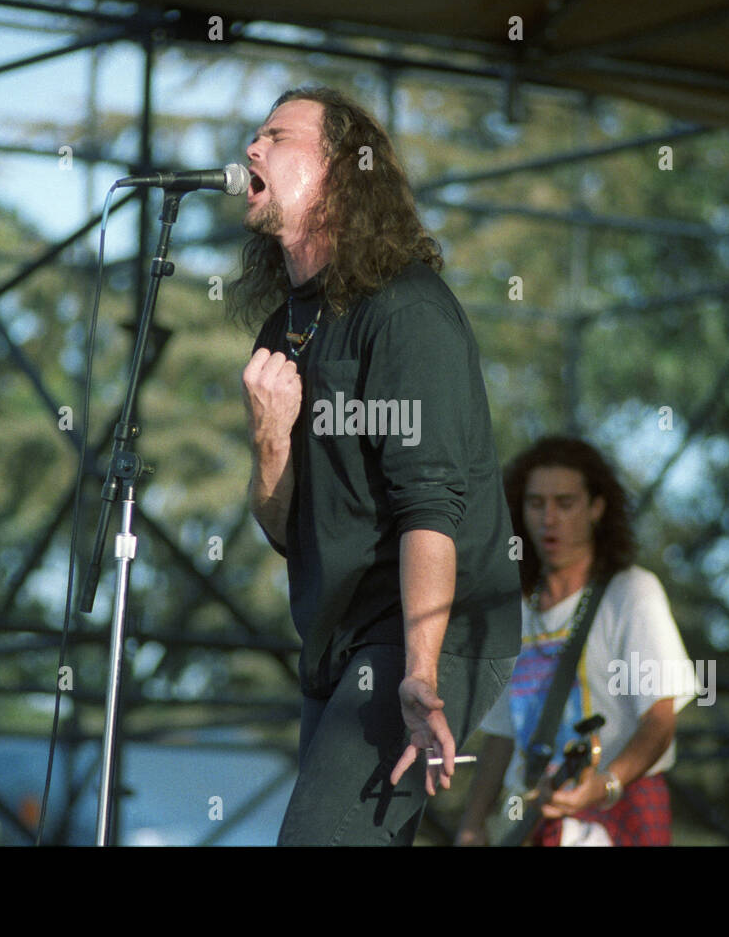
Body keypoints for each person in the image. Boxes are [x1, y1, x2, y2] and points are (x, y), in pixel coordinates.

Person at [232, 86, 521, 845]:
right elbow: (283, 527)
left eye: (277, 136)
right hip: (337, 637)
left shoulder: (404, 309)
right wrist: (269, 443)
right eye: (254, 136)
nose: (251, 149)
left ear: (341, 173)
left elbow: (431, 505)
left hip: (424, 627)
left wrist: (420, 673)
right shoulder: (286, 326)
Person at [455, 436, 696, 846]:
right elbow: (502, 735)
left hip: (617, 812)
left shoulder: (631, 592)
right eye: (536, 503)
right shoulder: (511, 609)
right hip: (532, 817)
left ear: (597, 508)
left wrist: (605, 784)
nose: (549, 518)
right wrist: (472, 825)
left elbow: (660, 720)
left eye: (565, 503)